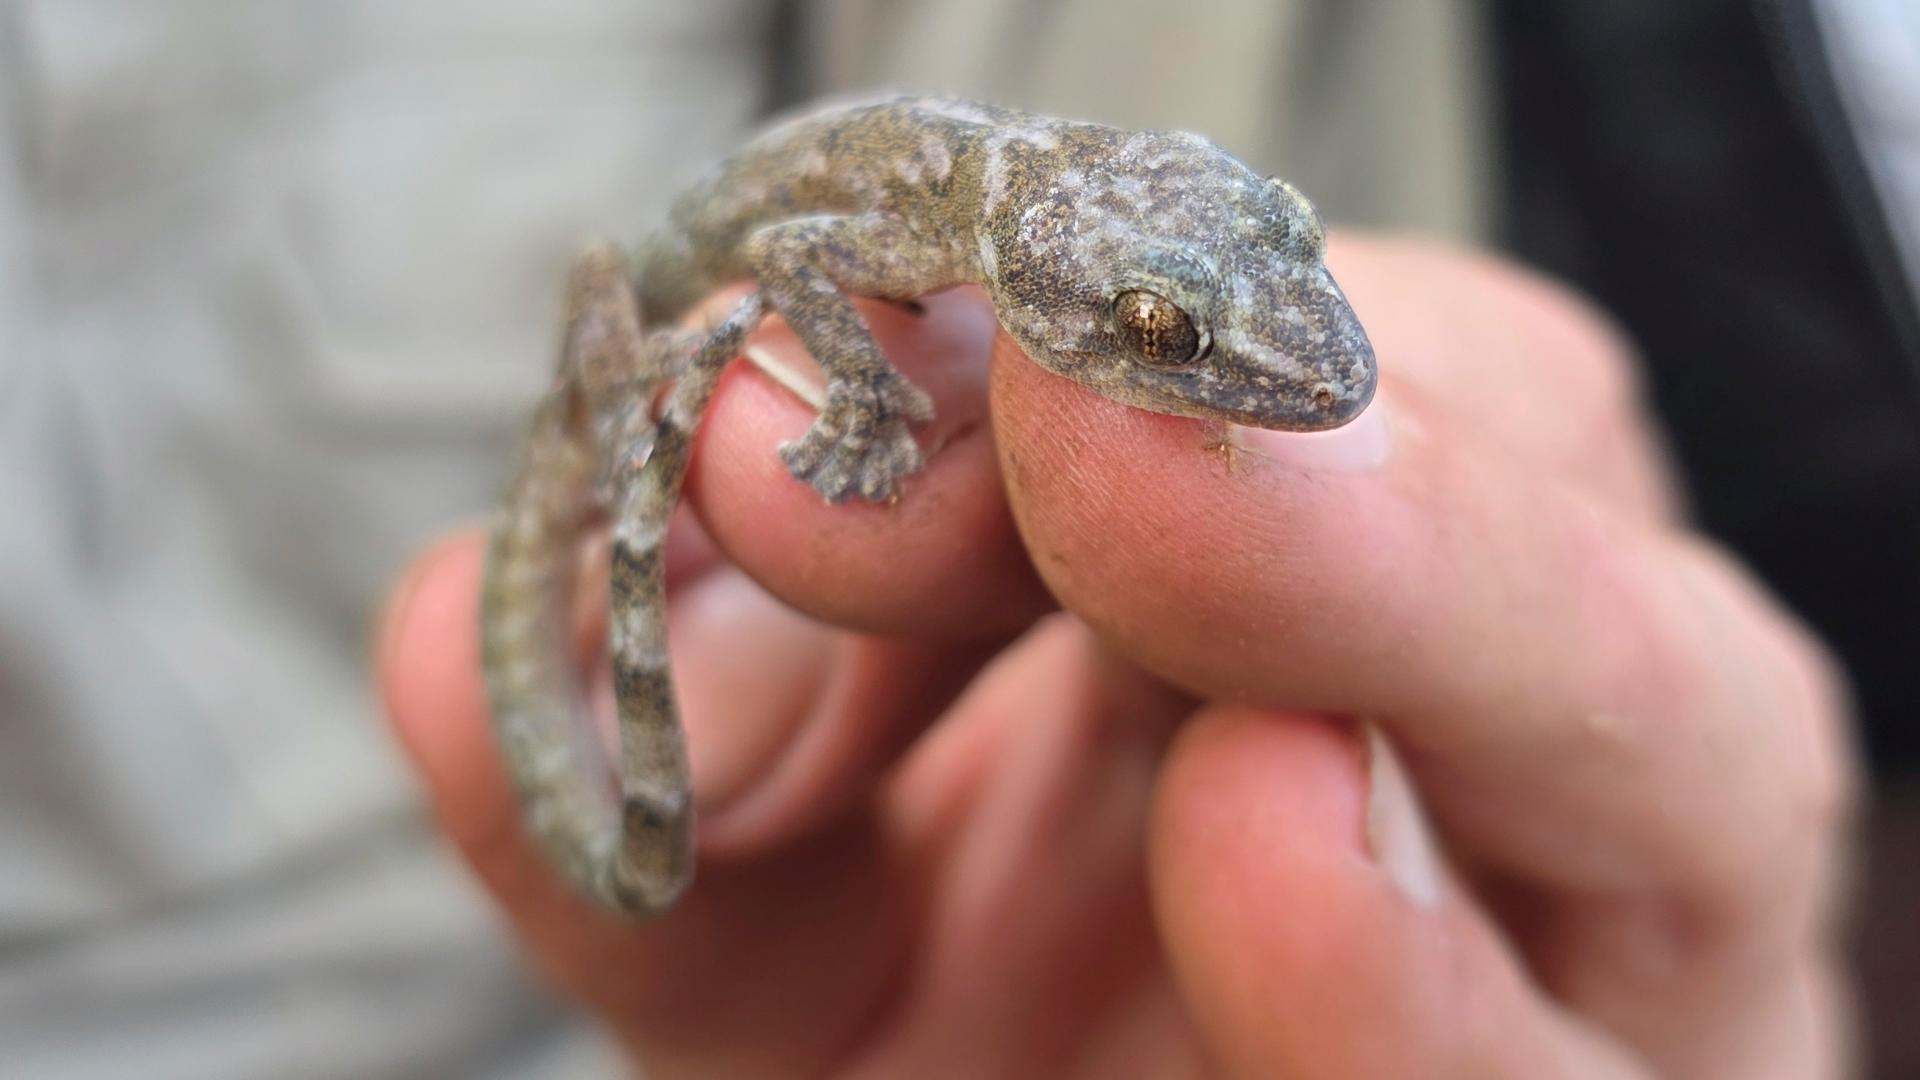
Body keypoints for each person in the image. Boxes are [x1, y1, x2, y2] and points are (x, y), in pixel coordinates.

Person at [377, 237, 1856, 1076]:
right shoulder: (915, 230)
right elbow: (794, 251)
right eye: (1163, 331)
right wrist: (866, 399)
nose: (1314, 379)